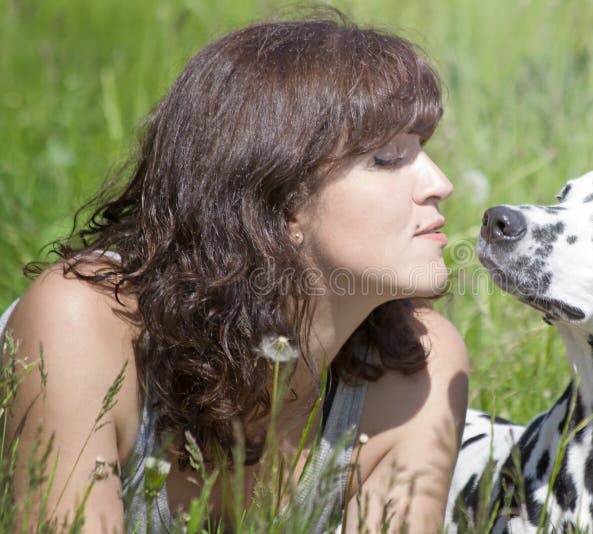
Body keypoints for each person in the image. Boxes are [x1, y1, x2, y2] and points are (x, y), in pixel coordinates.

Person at [1, 14, 469, 533]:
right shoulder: (83, 324)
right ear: (282, 200)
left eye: (422, 149)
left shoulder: (421, 369)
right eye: (387, 157)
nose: (440, 183)